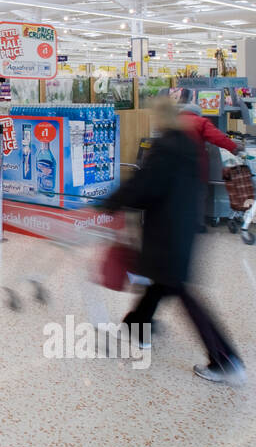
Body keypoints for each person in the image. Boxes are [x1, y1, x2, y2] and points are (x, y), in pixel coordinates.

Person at [101, 96, 246, 385]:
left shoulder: (165, 147)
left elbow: (144, 186)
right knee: (161, 283)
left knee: (178, 290)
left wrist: (108, 204)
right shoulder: (187, 145)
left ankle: (225, 359)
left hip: (167, 231)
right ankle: (137, 323)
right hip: (182, 226)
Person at [178, 101, 241, 231]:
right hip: (195, 164)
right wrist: (234, 148)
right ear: (198, 114)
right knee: (198, 194)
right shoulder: (201, 122)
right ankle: (197, 225)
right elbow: (217, 137)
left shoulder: (175, 122)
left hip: (175, 164)